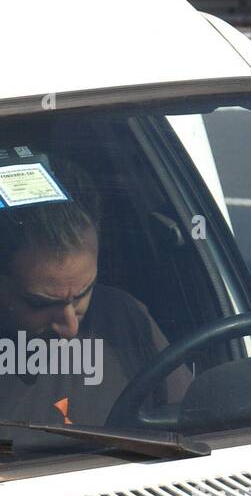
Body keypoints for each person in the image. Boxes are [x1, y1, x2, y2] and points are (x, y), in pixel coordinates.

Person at [0, 160, 192, 427]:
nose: (70, 327)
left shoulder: (123, 318)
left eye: (83, 293)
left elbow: (192, 424)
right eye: (40, 304)